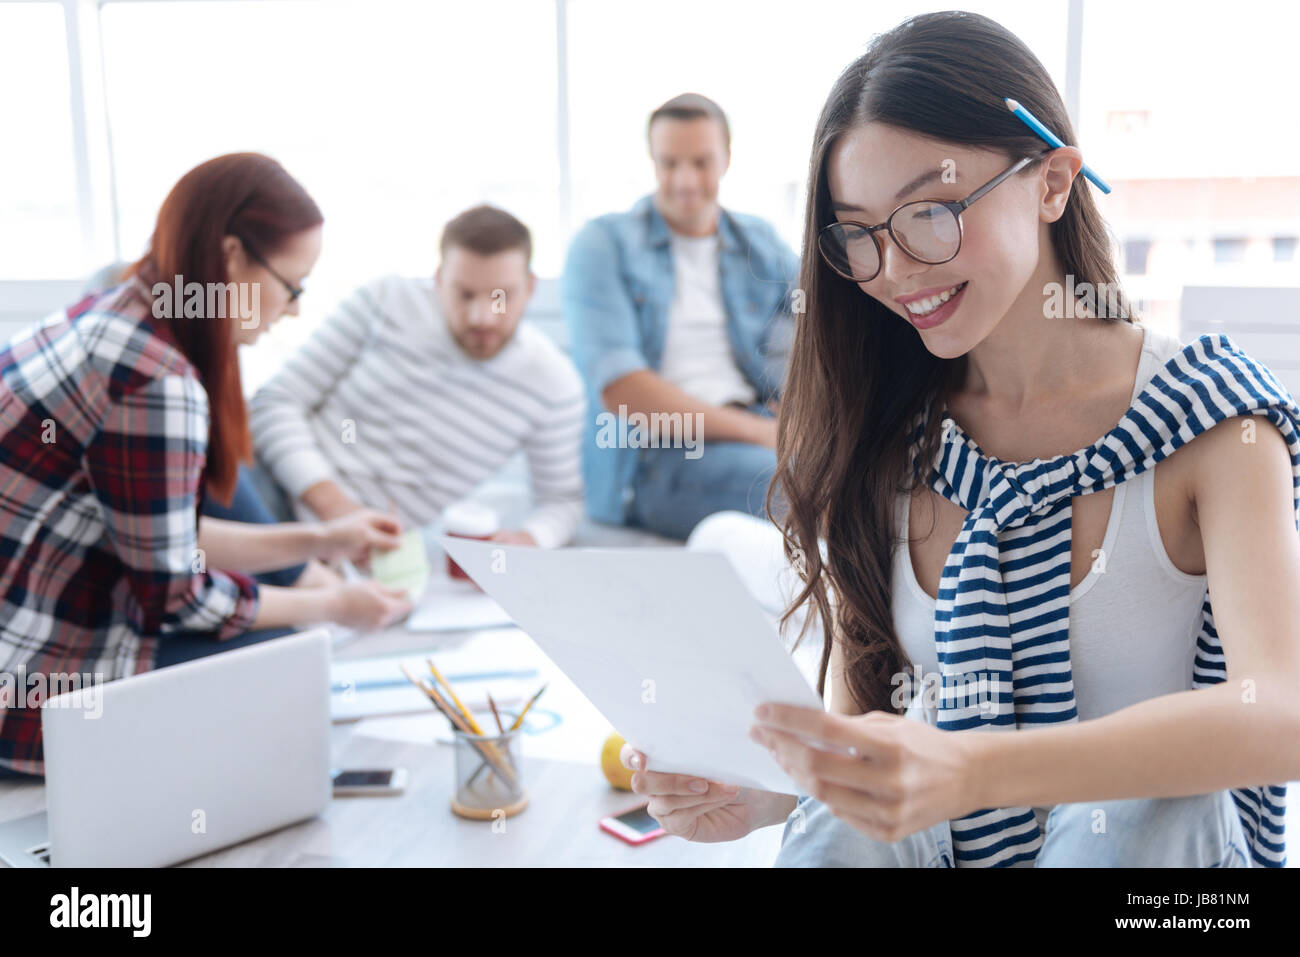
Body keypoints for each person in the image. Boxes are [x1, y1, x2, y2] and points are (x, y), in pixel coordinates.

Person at [622, 11, 1300, 867]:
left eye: (931, 213)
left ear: (1052, 183)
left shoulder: (1215, 421)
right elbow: (872, 734)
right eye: (860, 234)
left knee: (1145, 810)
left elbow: (1280, 713)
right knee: (840, 825)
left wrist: (981, 769)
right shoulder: (887, 435)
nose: (896, 270)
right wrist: (764, 792)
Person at [0, 153, 412, 778]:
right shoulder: (157, 382)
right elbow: (178, 597)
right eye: (293, 286)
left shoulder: (115, 311)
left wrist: (322, 538)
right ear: (231, 259)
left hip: (25, 631)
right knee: (285, 655)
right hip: (31, 691)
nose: (293, 310)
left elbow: (165, 539)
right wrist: (333, 608)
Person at [249, 205, 586, 549]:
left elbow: (562, 500)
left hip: (347, 556)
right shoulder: (385, 300)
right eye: (465, 294)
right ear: (439, 280)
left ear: (530, 288)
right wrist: (337, 511)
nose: (482, 317)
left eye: (501, 297)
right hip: (265, 491)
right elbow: (275, 401)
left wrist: (529, 539)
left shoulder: (554, 385)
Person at [563, 93, 799, 540]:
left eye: (700, 163)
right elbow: (624, 394)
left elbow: (818, 333)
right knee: (809, 487)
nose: (685, 181)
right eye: (669, 164)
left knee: (876, 472)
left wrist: (798, 414)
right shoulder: (602, 245)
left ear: (726, 159)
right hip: (657, 453)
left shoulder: (760, 243)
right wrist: (762, 432)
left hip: (757, 430)